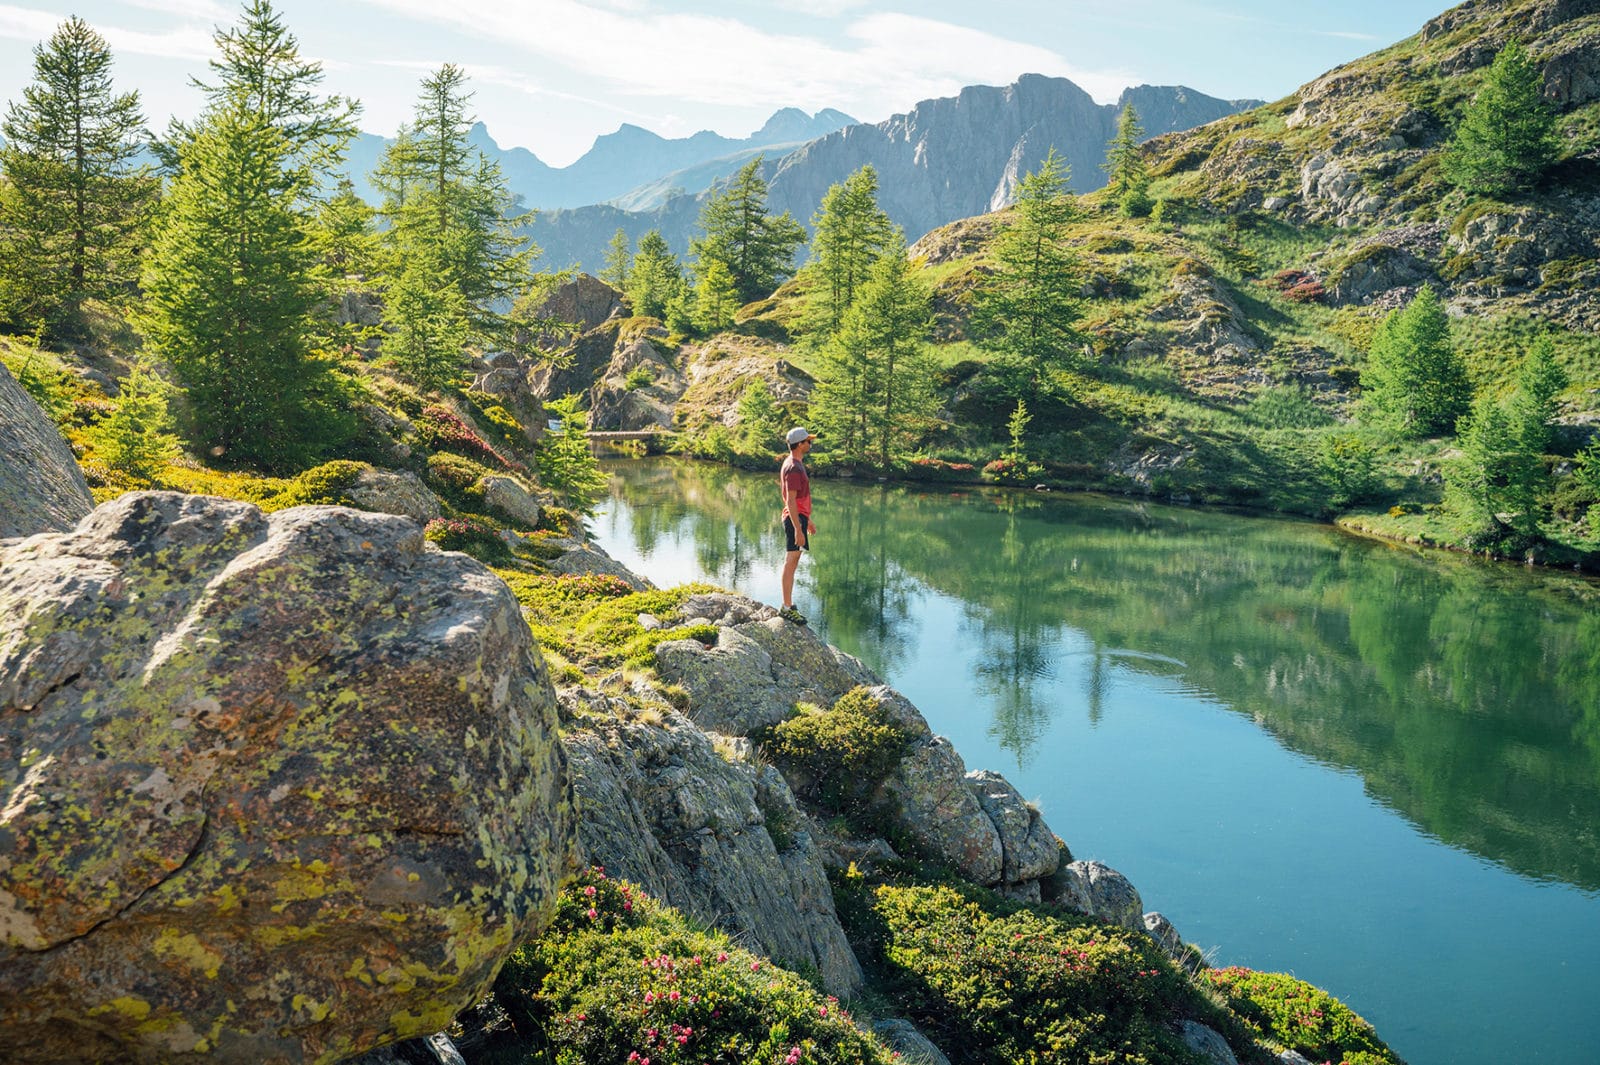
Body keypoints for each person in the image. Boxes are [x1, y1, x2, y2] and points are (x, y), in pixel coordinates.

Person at [778, 426, 816, 624]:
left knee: (792, 561)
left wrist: (807, 519)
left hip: (799, 517)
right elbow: (790, 500)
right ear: (800, 444)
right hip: (794, 519)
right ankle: (786, 607)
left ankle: (788, 604)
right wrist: (798, 529)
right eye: (808, 441)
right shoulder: (794, 467)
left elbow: (790, 496)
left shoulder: (792, 463)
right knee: (791, 562)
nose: (811, 444)